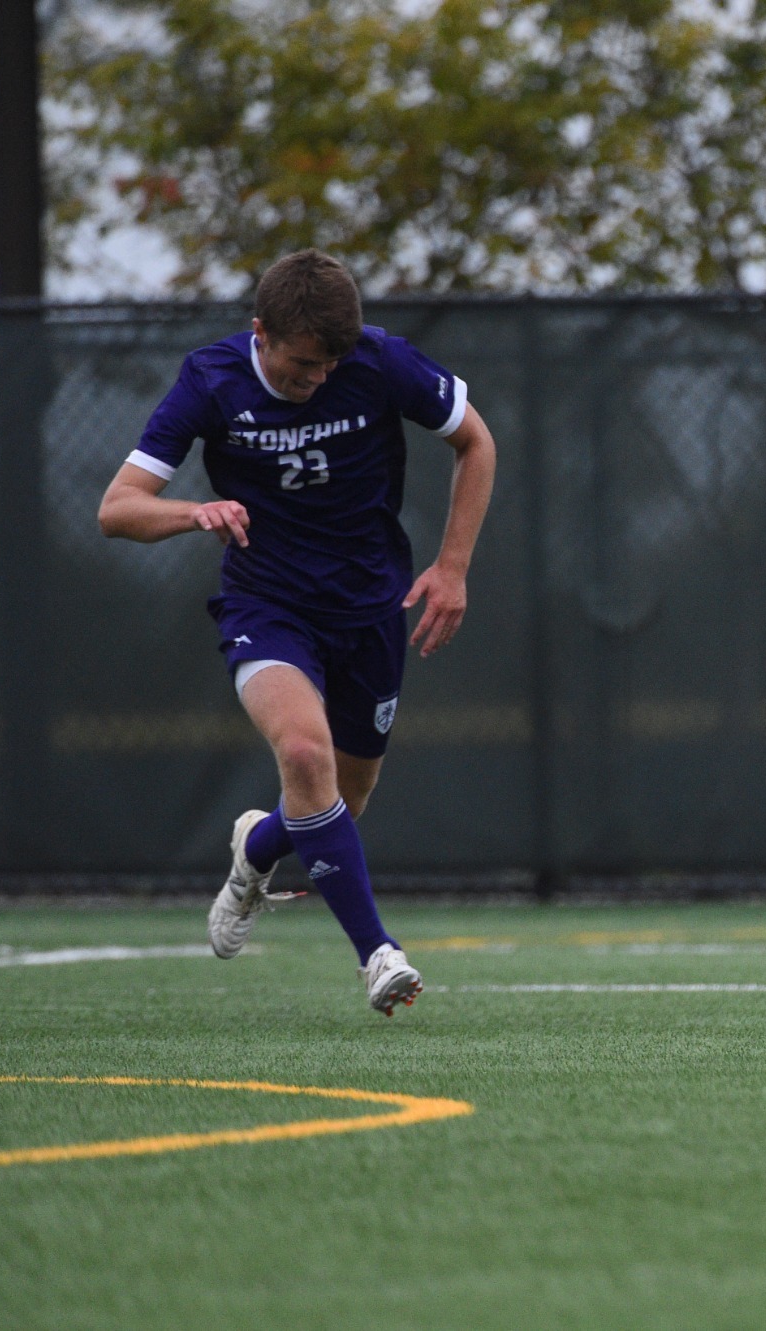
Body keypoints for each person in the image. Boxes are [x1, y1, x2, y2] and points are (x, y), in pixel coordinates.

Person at [96, 250, 497, 1015]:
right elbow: (118, 507)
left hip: (369, 611)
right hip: (268, 607)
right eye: (303, 364)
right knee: (304, 754)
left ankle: (256, 850)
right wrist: (193, 512)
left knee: (340, 800)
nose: (317, 379)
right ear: (261, 332)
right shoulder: (211, 379)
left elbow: (476, 441)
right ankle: (379, 955)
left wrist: (452, 567)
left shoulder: (380, 363)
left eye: (330, 365)